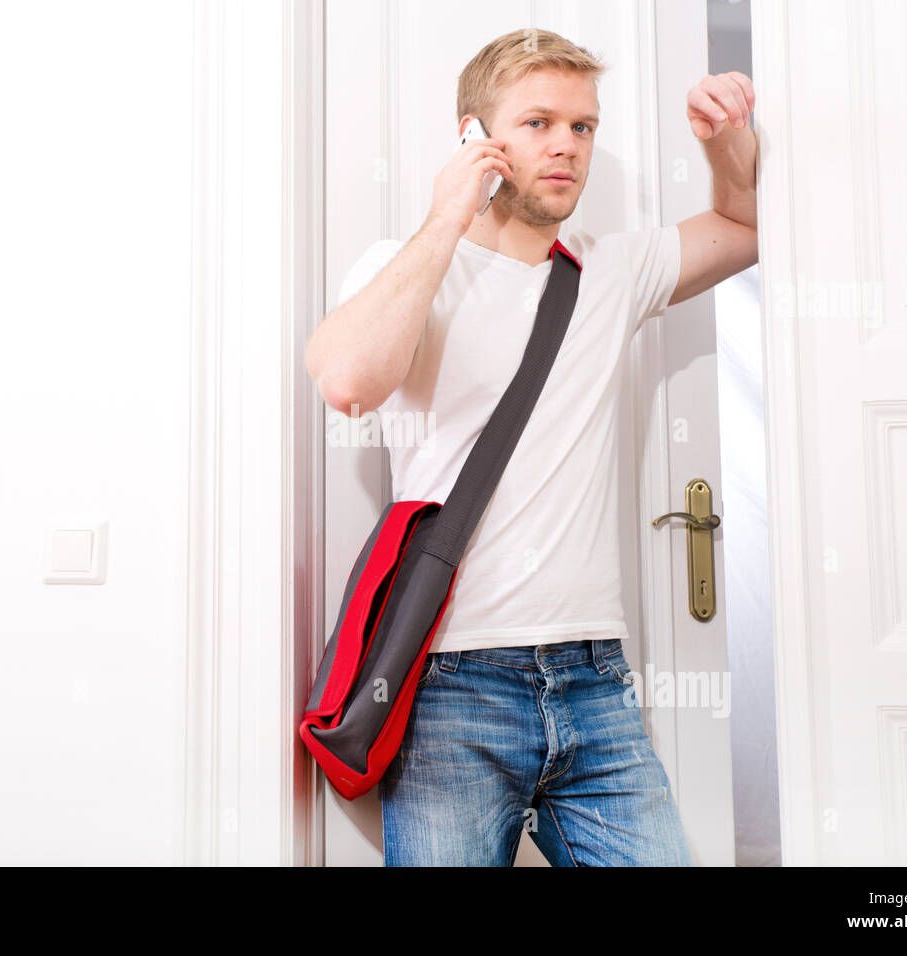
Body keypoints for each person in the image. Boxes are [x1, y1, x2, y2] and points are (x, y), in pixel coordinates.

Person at [304, 28, 758, 866]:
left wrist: (729, 146)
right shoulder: (400, 267)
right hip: (452, 688)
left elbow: (743, 225)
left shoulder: (610, 271)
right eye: (539, 122)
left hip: (595, 682)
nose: (566, 147)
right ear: (477, 137)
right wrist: (450, 214)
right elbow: (346, 381)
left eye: (582, 127)